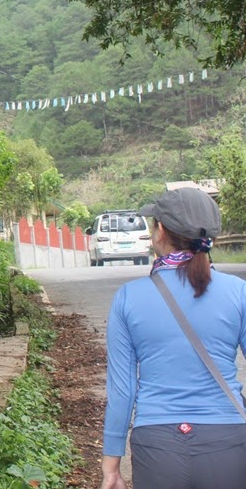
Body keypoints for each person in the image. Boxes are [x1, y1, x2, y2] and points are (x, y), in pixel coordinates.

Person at [101, 187, 246, 489]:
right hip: (229, 442)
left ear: (161, 231)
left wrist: (111, 463)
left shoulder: (128, 297)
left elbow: (122, 390)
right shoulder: (238, 292)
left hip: (156, 445)